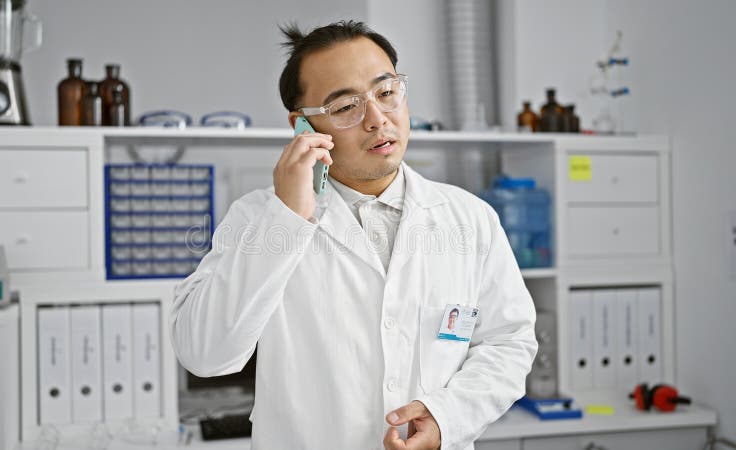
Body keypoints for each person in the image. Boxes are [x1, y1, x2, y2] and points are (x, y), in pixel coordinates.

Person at [171, 20, 537, 450]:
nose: (378, 119)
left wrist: (447, 417)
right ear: (303, 126)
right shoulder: (258, 219)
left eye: (386, 93)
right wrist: (288, 217)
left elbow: (508, 341)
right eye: (346, 107)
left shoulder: (470, 218)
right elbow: (206, 354)